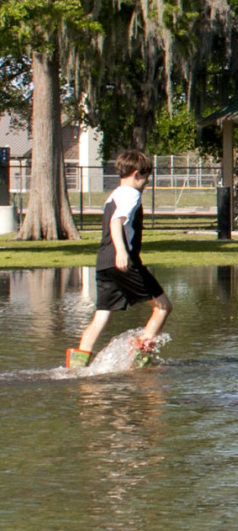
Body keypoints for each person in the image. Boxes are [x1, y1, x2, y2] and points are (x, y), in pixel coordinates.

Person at [65, 150, 173, 368]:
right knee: (163, 307)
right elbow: (116, 222)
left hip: (103, 262)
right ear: (136, 174)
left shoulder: (113, 195)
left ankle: (75, 369)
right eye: (146, 176)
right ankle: (139, 361)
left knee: (101, 317)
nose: (147, 181)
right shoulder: (131, 194)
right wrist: (122, 252)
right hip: (122, 261)